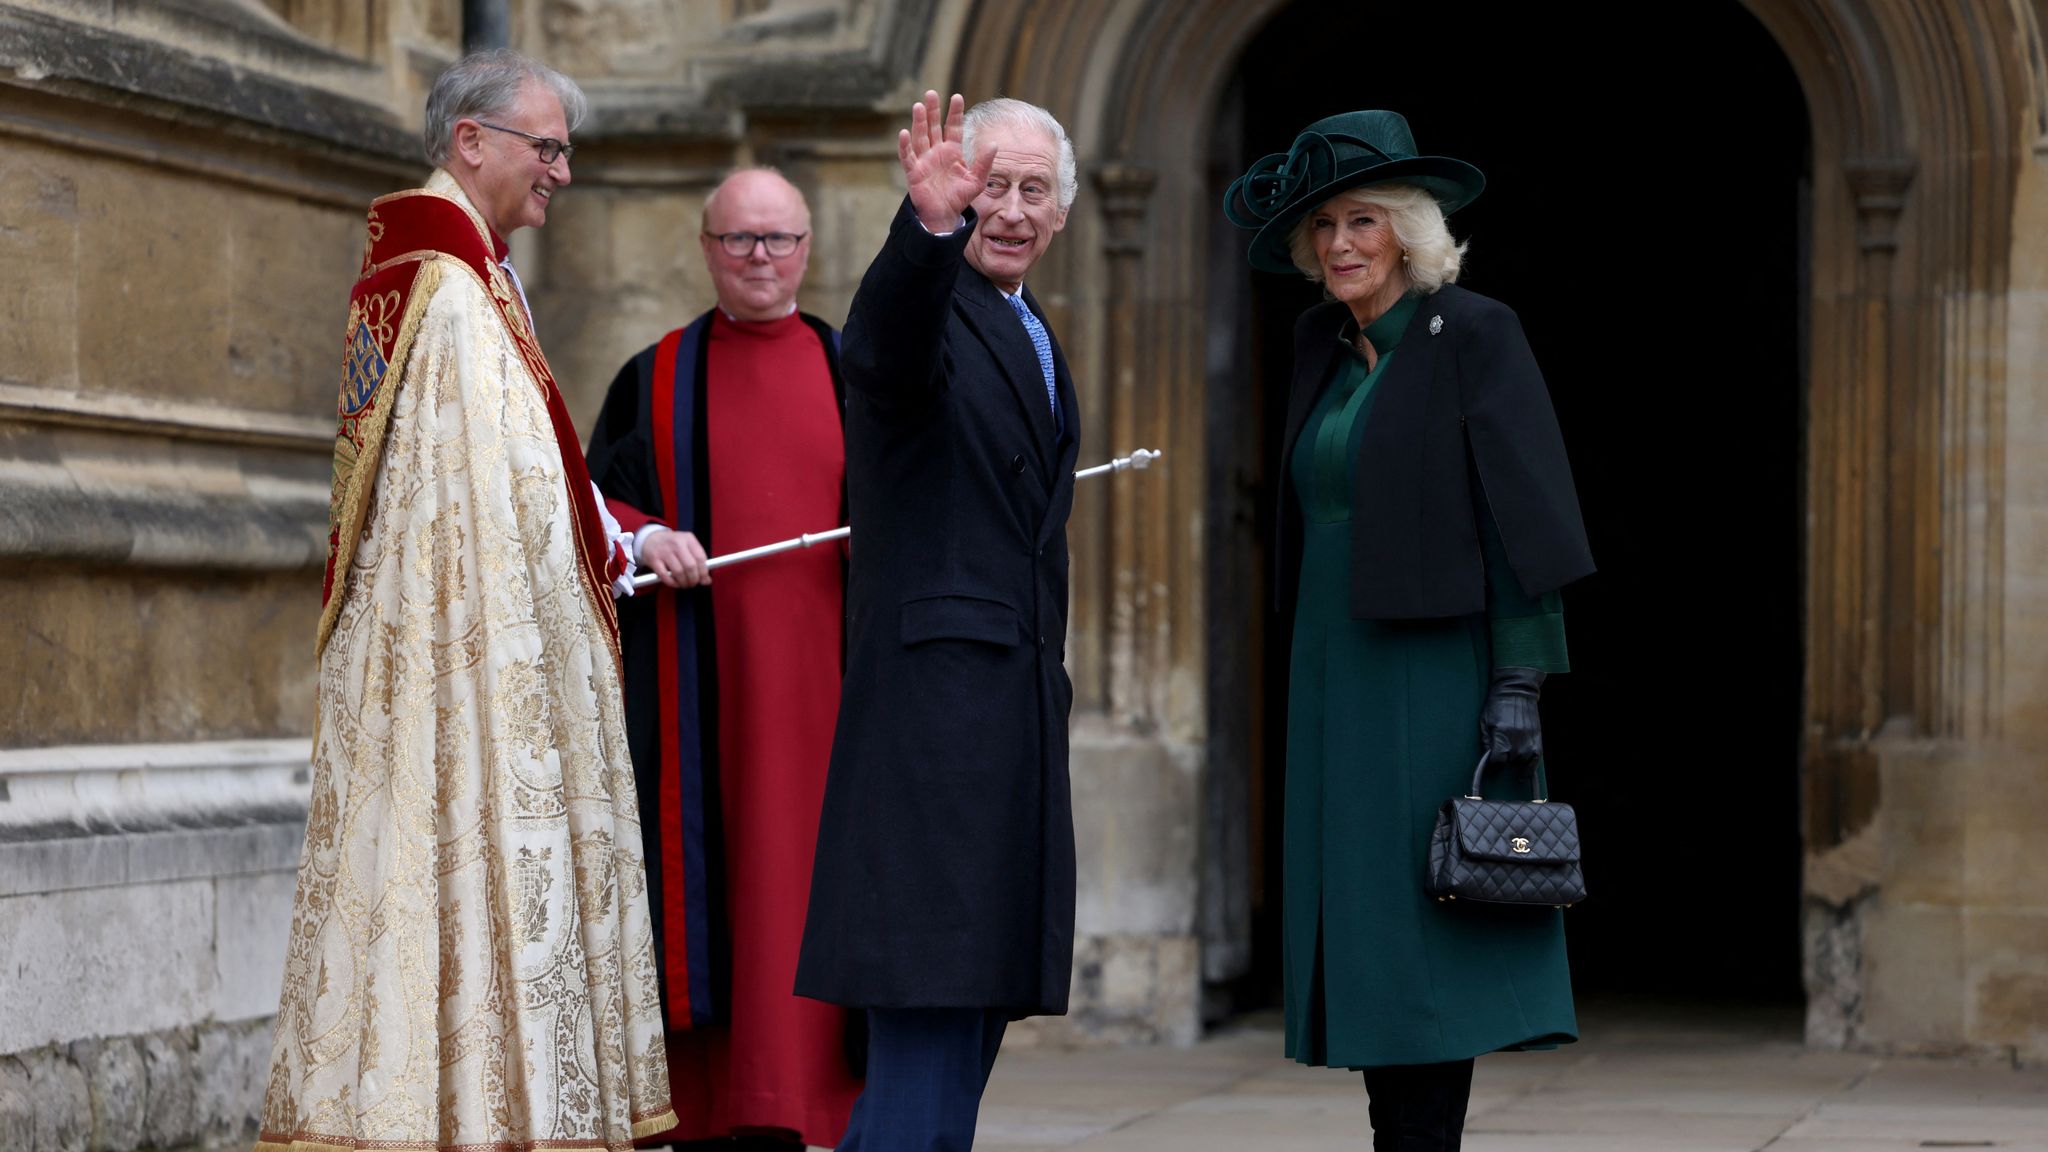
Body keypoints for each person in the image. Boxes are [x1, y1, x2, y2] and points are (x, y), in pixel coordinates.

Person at [256, 49, 675, 1152]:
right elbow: (483, 515)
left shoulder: (461, 274)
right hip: (470, 663)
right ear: (469, 141)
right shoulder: (444, 291)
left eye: (566, 150)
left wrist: (611, 540)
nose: (563, 173)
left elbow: (522, 480)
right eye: (547, 148)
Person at [1224, 110, 1595, 1150]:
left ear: (1409, 234)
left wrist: (1520, 676)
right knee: (1368, 935)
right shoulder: (1317, 348)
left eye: (1363, 222)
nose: (1339, 244)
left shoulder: (1472, 331)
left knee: (1431, 930)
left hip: (1435, 669)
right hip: (1331, 671)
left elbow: (1522, 515)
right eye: (1324, 229)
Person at [795, 91, 1082, 1151]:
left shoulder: (1028, 324)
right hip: (933, 725)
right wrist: (922, 230)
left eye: (1029, 190)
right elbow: (880, 351)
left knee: (960, 1027)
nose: (1006, 210)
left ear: (1061, 213)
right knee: (925, 1012)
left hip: (1002, 718)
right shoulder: (933, 305)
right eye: (989, 187)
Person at [584, 167, 860, 1151]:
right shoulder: (652, 377)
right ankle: (719, 1106)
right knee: (718, 897)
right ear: (705, 249)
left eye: (779, 239)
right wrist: (648, 533)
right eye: (739, 240)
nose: (759, 258)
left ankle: (810, 1100)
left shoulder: (857, 368)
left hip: (833, 700)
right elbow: (588, 507)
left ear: (807, 248)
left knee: (812, 889)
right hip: (699, 703)